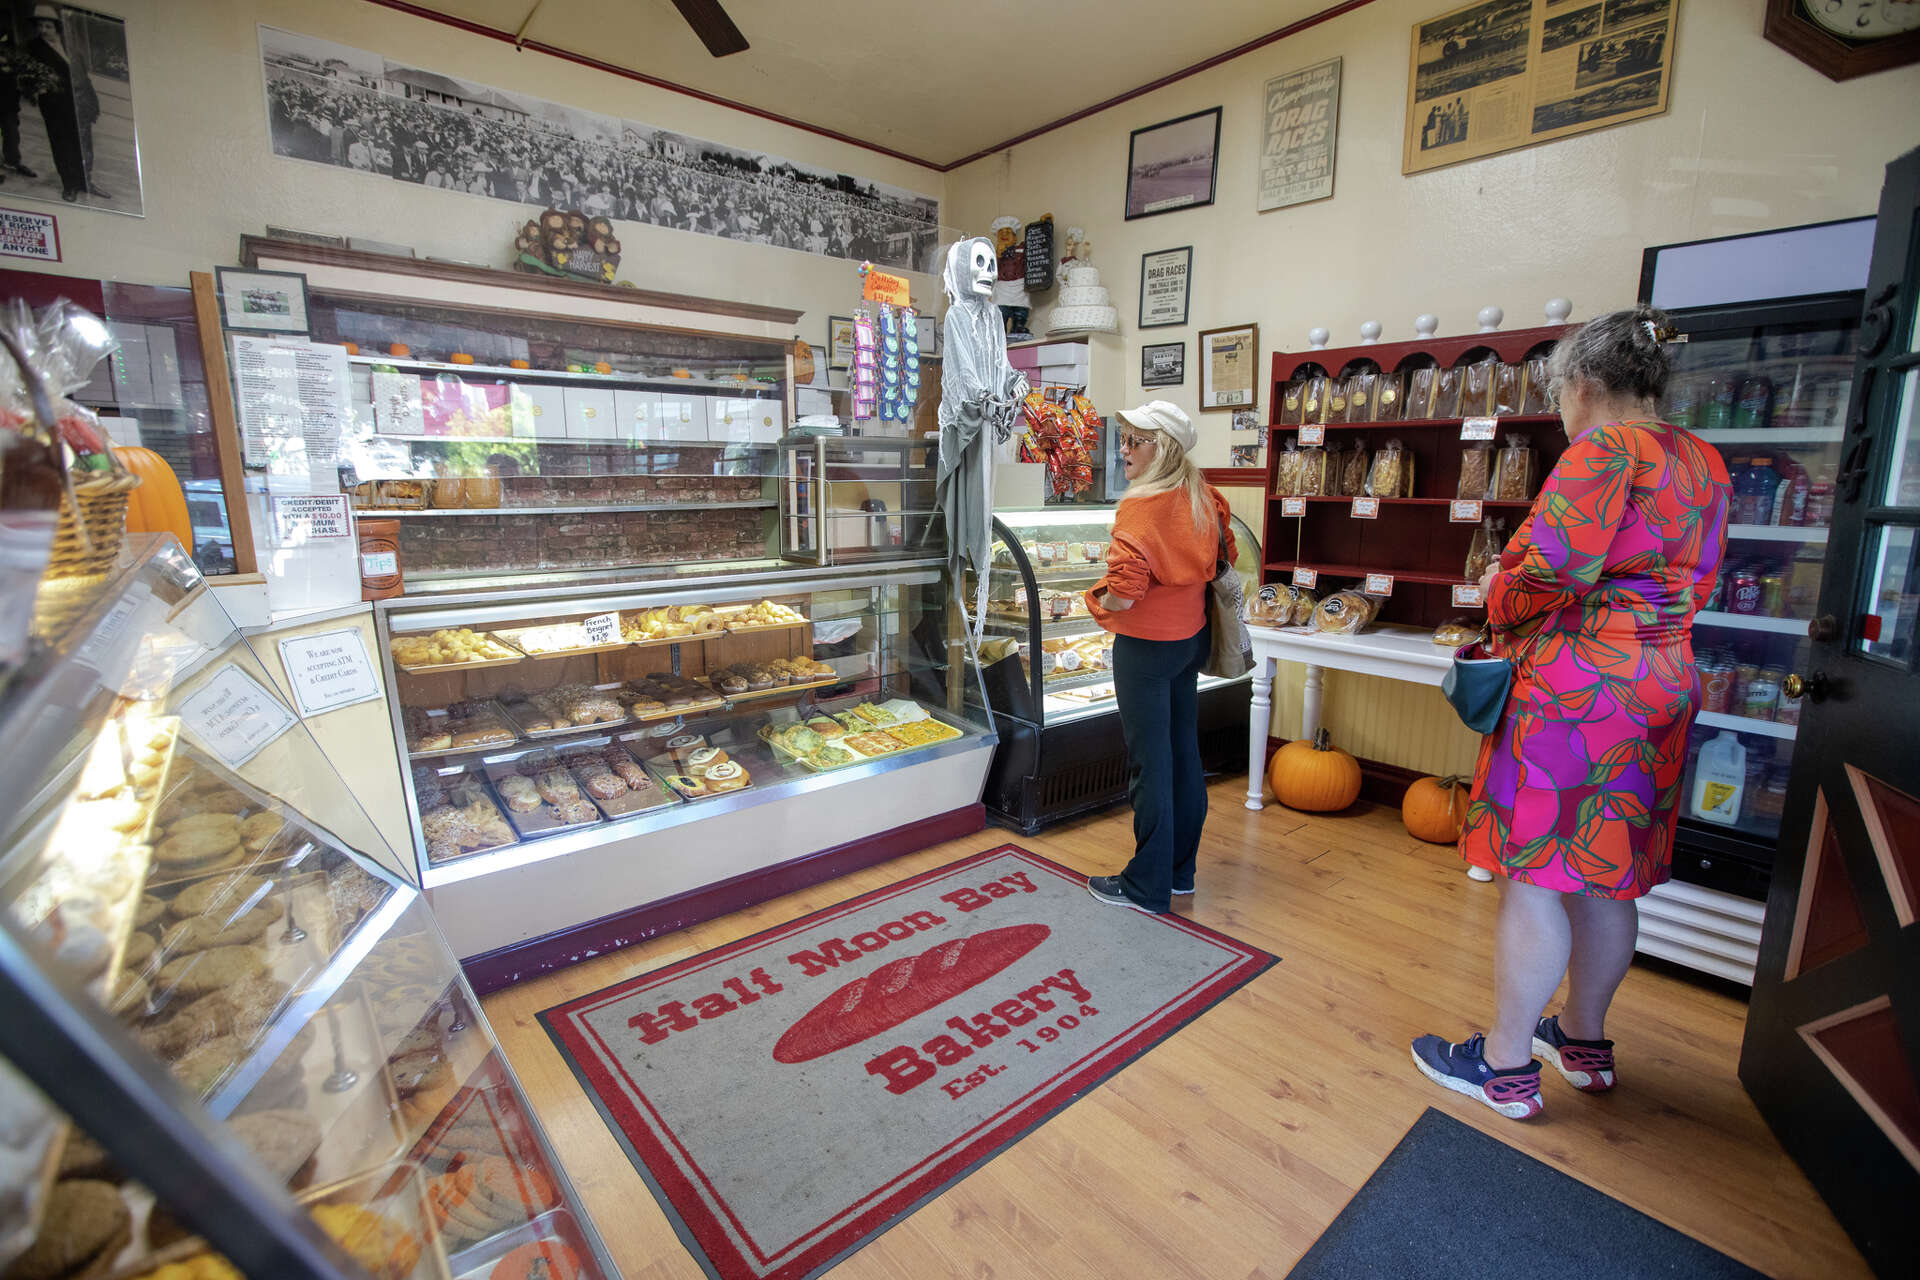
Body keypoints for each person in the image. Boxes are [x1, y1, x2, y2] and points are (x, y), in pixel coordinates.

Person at [1412, 306, 1731, 1119]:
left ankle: (1504, 1067)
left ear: (1584, 382)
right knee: (1607, 875)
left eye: (1558, 392)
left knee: (1535, 878)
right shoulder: (1702, 458)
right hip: (1664, 678)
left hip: (1581, 691)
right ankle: (1583, 1043)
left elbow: (1551, 571)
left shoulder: (1604, 450)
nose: (1560, 408)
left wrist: (1498, 593)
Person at [1084, 401, 1234, 915]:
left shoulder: (1141, 506)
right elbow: (1225, 558)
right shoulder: (1206, 497)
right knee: (1183, 756)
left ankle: (1145, 887)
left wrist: (1096, 602)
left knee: (1150, 765)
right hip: (1189, 641)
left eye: (1135, 440)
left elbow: (1125, 595)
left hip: (1145, 650)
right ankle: (1179, 873)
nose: (1123, 449)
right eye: (1123, 438)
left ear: (1163, 448)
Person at [27, 3, 102, 202]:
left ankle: (85, 181)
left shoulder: (69, 44)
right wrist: (37, 87)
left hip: (80, 103)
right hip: (56, 106)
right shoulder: (33, 48)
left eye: (48, 26)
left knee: (84, 144)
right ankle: (69, 185)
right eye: (40, 26)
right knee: (62, 145)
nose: (43, 30)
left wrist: (92, 102)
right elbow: (28, 78)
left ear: (57, 27)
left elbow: (83, 76)